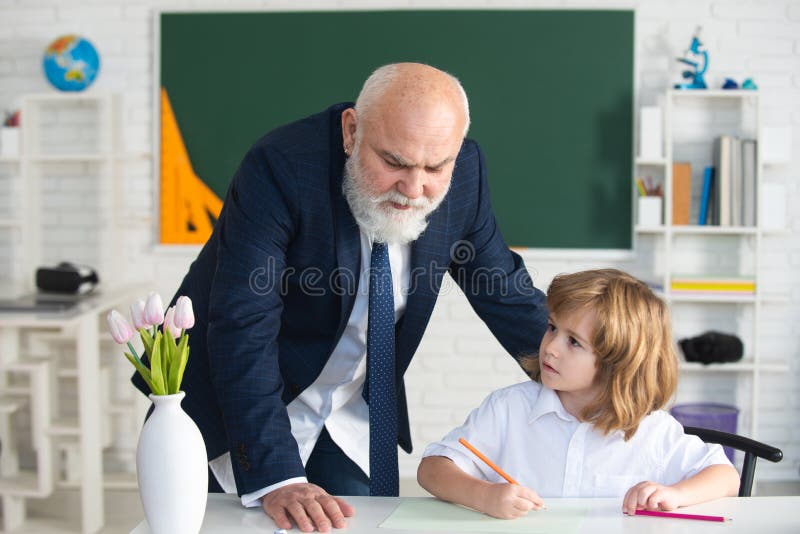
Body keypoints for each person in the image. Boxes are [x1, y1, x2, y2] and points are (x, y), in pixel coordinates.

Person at [132, 62, 548, 532]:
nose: (415, 189)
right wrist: (276, 478)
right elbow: (242, 323)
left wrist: (604, 372)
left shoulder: (466, 169)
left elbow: (504, 292)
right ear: (352, 131)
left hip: (348, 414)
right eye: (393, 163)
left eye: (435, 167)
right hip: (237, 409)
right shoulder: (281, 165)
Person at [417, 269, 740, 519]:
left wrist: (675, 495)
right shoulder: (508, 408)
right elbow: (432, 470)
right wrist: (483, 495)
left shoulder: (651, 429)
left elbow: (725, 477)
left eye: (574, 342)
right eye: (552, 327)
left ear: (618, 362)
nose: (551, 347)